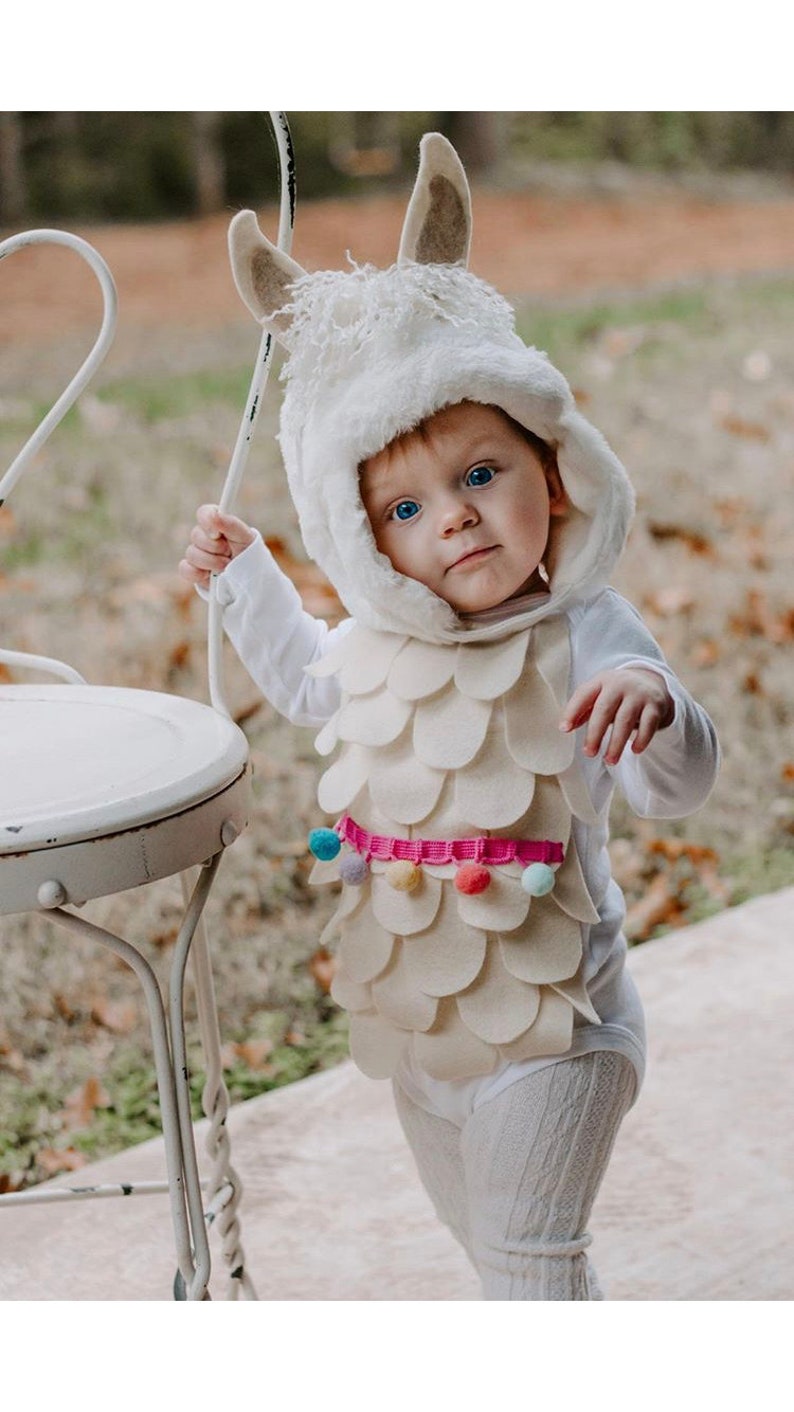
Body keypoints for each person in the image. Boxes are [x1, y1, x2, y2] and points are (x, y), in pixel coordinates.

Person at [180, 134, 719, 1300]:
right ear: (363, 536)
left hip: (559, 1025)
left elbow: (671, 787)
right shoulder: (381, 639)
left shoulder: (583, 629)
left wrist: (659, 707)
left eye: (481, 474)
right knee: (495, 1257)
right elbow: (307, 680)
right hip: (423, 1025)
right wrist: (245, 575)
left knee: (528, 1261)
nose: (455, 519)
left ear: (552, 471)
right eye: (405, 508)